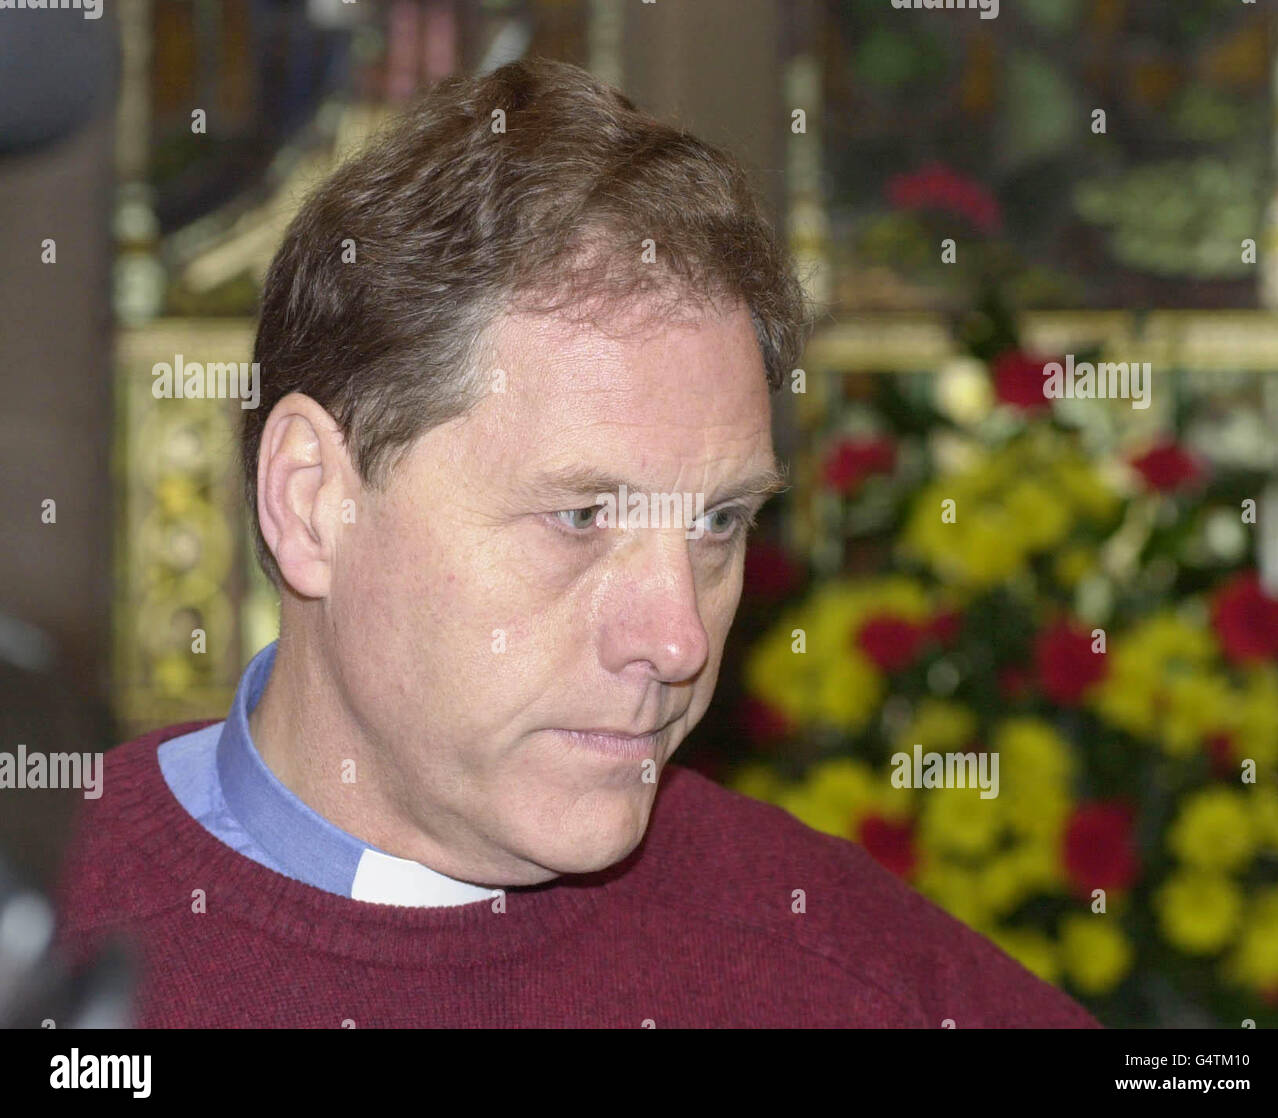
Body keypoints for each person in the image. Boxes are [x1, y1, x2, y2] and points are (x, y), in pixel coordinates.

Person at [53, 57, 1099, 1028]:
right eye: (581, 516)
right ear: (312, 497)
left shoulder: (849, 976)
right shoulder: (47, 939)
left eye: (718, 522)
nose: (680, 637)